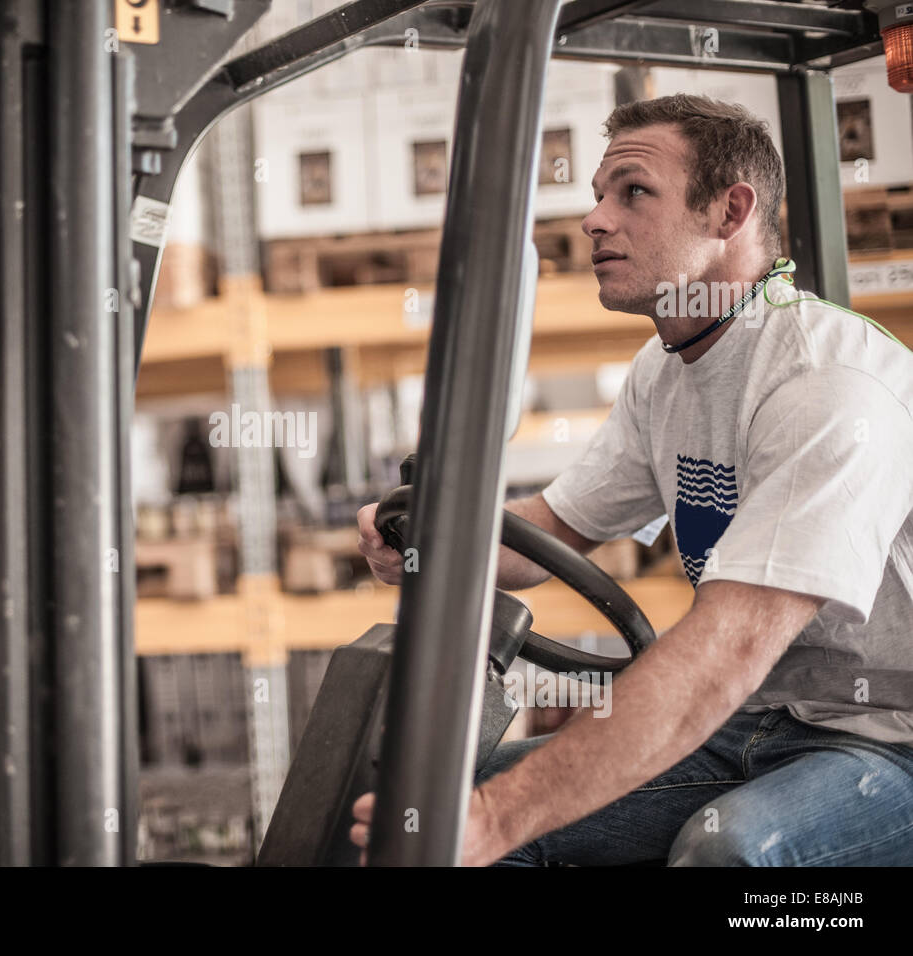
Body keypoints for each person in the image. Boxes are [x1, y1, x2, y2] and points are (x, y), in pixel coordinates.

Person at [351, 95, 913, 866]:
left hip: (891, 737)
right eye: (596, 196)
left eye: (632, 192)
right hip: (761, 721)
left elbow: (727, 650)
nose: (594, 220)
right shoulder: (666, 372)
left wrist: (500, 817)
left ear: (729, 210)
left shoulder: (823, 386)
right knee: (435, 809)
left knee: (733, 854)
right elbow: (550, 530)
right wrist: (425, 544)